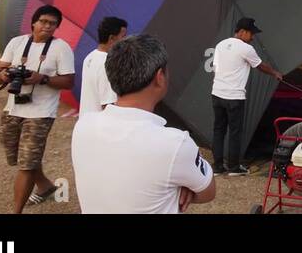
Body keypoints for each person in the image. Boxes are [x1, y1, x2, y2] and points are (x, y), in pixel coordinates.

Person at [72, 34, 216, 214]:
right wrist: (177, 188)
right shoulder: (175, 143)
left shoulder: (83, 125)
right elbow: (208, 191)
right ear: (160, 77)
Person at [0, 5, 76, 213]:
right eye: (43, 22)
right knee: (18, 155)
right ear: (33, 23)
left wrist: (42, 78)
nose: (47, 26)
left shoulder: (61, 47)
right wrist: (5, 76)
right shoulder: (17, 42)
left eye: (52, 24)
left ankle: (16, 211)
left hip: (41, 113)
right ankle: (45, 186)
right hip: (13, 108)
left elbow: (68, 82)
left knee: (26, 163)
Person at [210, 17, 283, 176]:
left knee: (218, 131)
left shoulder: (220, 45)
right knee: (235, 132)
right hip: (234, 96)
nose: (252, 37)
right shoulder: (246, 48)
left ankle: (217, 167)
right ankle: (234, 168)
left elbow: (215, 68)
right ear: (242, 32)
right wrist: (275, 73)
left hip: (217, 94)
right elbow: (260, 66)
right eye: (251, 33)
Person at [78, 16, 128, 115]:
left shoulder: (90, 57)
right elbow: (108, 106)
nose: (126, 41)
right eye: (123, 37)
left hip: (86, 122)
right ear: (112, 39)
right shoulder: (109, 63)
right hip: (100, 126)